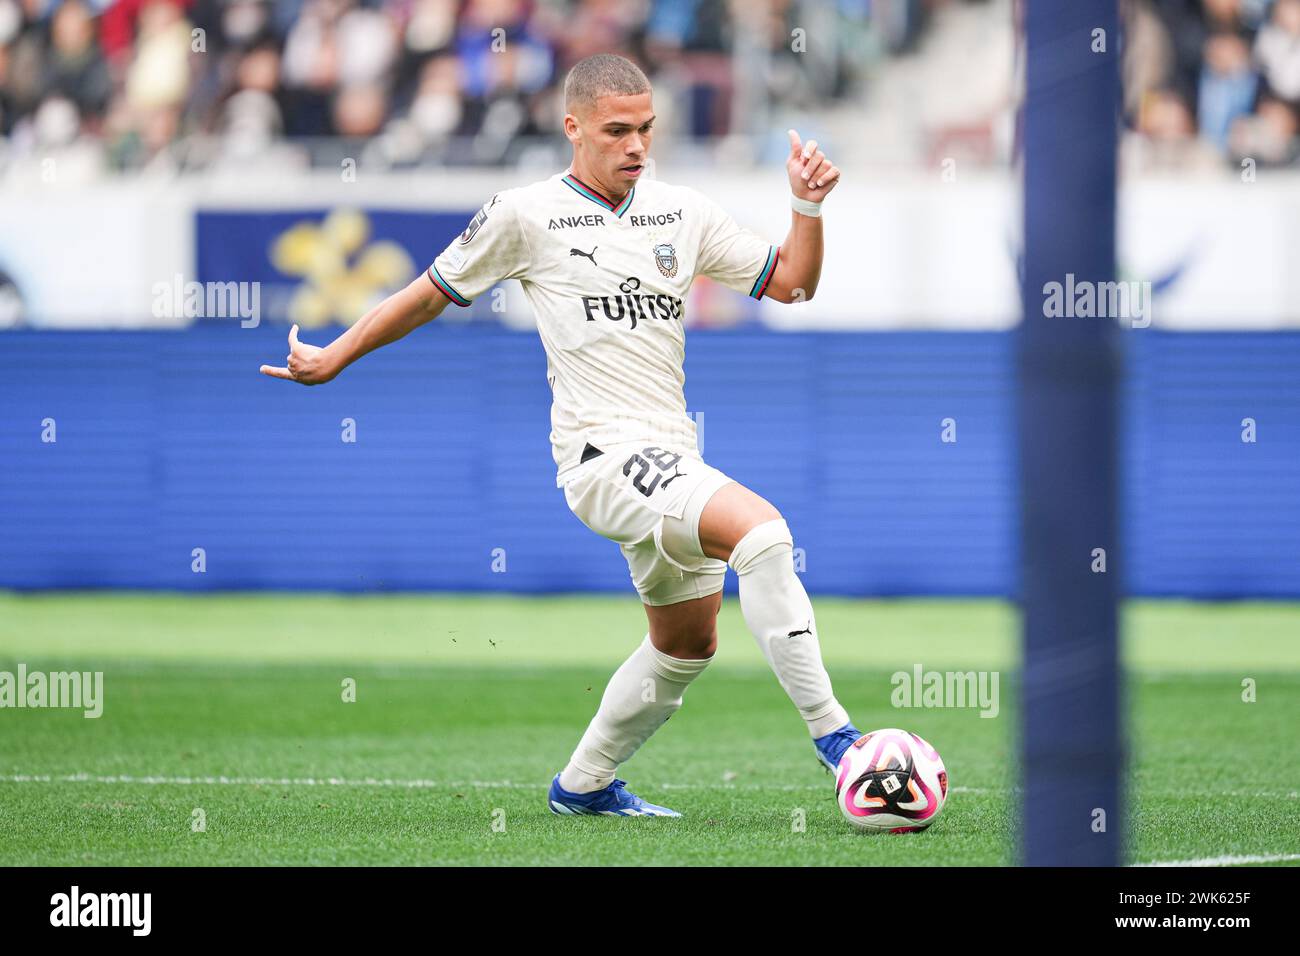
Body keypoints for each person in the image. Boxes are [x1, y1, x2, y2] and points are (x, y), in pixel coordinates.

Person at [260, 52, 860, 817]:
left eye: (646, 128)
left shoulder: (682, 212)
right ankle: (838, 740)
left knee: (686, 645)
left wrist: (806, 208)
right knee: (764, 533)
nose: (637, 146)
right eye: (618, 131)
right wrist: (335, 356)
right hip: (600, 457)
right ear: (572, 127)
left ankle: (583, 786)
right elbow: (427, 294)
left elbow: (793, 284)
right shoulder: (525, 213)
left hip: (669, 454)